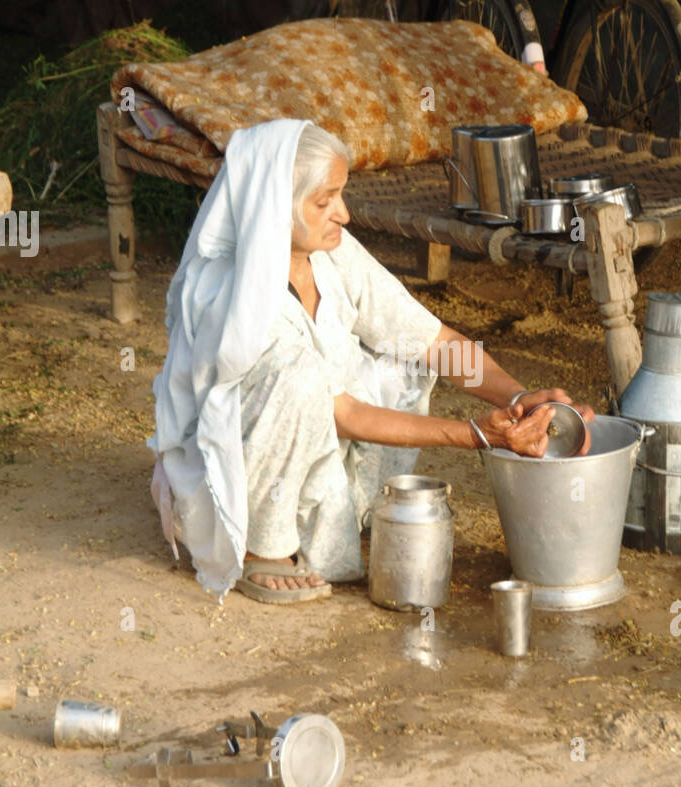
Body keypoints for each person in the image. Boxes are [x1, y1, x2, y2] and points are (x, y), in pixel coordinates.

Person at [148, 118, 594, 604]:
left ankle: (340, 511)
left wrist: (517, 396)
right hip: (249, 465)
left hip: (320, 441)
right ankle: (261, 544)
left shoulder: (331, 255)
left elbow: (431, 339)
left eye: (341, 194)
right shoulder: (237, 297)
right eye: (325, 201)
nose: (344, 213)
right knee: (298, 382)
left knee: (405, 357)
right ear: (275, 208)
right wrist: (476, 434)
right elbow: (341, 412)